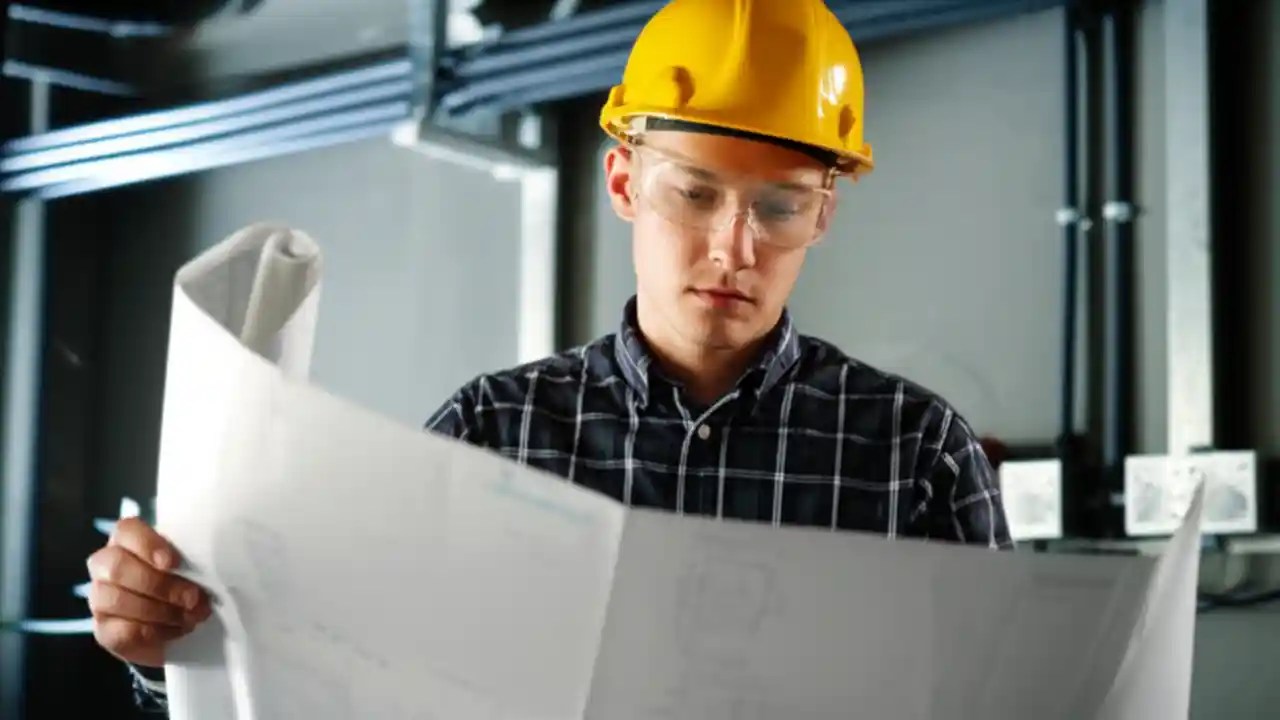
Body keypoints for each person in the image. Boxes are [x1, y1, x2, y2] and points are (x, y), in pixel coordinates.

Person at [86, 0, 1012, 713]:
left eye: (780, 207)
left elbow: (1007, 703)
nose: (736, 248)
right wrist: (175, 648)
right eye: (695, 192)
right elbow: (353, 681)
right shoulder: (491, 431)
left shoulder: (915, 451)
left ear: (823, 213)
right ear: (624, 180)